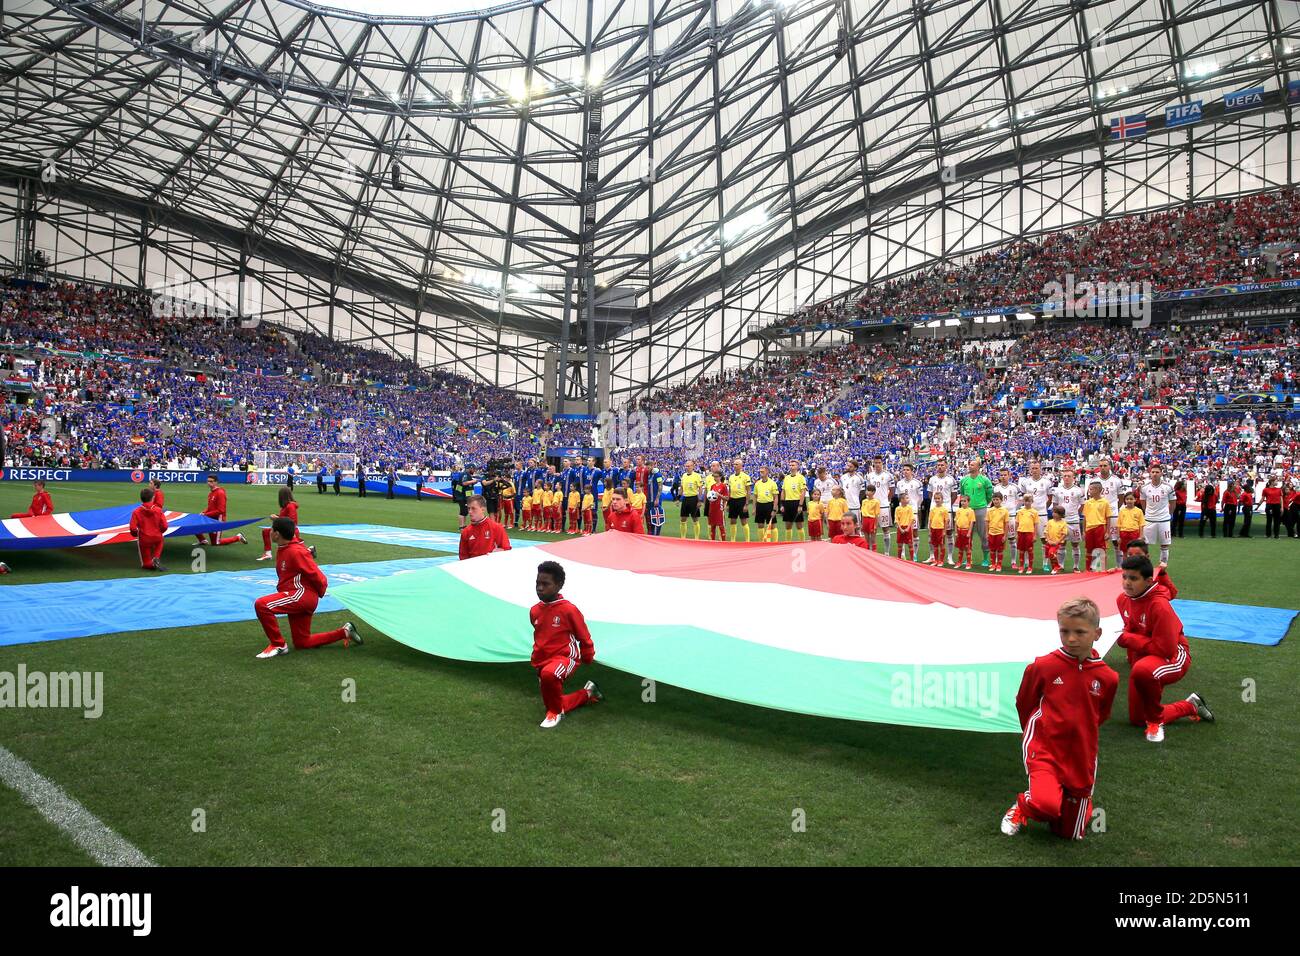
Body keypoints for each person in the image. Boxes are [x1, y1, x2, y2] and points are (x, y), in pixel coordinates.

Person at [1000, 597, 1118, 840]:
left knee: (1069, 834)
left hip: (1081, 753)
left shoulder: (1108, 678)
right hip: (1045, 746)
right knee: (1046, 806)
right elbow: (1025, 702)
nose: (1071, 638)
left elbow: (1101, 714)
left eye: (1080, 632)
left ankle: (1066, 796)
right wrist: (1033, 735)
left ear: (1097, 633)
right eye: (1064, 631)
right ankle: (1022, 806)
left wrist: (1081, 731)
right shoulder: (1044, 666)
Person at [1116, 554, 1214, 742]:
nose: (1127, 582)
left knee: (1143, 671)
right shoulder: (1122, 600)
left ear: (1148, 580)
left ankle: (1155, 719)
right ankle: (1191, 706)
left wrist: (1128, 639)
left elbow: (1165, 649)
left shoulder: (1159, 605)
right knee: (1137, 719)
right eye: (1124, 577)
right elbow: (1131, 630)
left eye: (1133, 578)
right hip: (1147, 657)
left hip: (1175, 655)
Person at [253, 517, 362, 659]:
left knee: (262, 605)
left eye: (272, 529)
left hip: (301, 595)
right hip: (299, 595)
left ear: (277, 534)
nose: (269, 532)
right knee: (302, 642)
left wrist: (316, 594)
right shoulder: (286, 546)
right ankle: (345, 632)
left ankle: (278, 645)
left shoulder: (295, 551)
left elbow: (319, 577)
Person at [530, 560, 602, 729]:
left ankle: (555, 714)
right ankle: (588, 692)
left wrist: (587, 655)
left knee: (550, 676)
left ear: (559, 585)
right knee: (554, 701)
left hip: (565, 657)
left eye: (545, 584)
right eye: (537, 583)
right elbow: (540, 635)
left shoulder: (568, 610)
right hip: (542, 660)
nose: (540, 588)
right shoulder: (534, 610)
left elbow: (583, 635)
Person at [958, 459, 994, 566]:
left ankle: (986, 558)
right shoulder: (963, 480)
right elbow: (963, 495)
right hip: (968, 511)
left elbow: (989, 494)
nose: (970, 466)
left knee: (983, 534)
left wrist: (983, 504)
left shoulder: (985, 480)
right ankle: (969, 558)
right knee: (967, 535)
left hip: (980, 509)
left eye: (972, 464)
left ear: (978, 467)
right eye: (969, 464)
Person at [1052, 466, 1085, 573]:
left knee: (1075, 544)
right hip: (1061, 522)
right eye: (1065, 476)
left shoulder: (1078, 490)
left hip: (1074, 521)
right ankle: (1060, 566)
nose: (1066, 478)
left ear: (1073, 477)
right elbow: (1055, 505)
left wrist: (1076, 514)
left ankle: (1076, 566)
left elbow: (1082, 505)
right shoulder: (1057, 490)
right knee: (1061, 544)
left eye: (1069, 476)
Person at [1140, 463, 1174, 565]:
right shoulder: (1144, 487)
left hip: (1163, 520)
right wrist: (1148, 512)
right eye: (1153, 472)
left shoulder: (1168, 487)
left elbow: (1173, 503)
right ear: (1150, 473)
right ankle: (1146, 565)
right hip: (1149, 519)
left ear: (1161, 473)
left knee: (1164, 544)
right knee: (1145, 544)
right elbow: (1143, 502)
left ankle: (1163, 566)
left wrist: (1169, 514)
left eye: (1157, 472)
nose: (1155, 474)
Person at [197, 474, 245, 547]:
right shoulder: (211, 493)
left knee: (216, 543)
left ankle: (238, 537)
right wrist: (204, 512)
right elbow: (210, 507)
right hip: (210, 518)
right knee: (195, 523)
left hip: (218, 520)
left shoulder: (220, 493)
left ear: (216, 482)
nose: (209, 483)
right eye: (208, 481)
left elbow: (221, 510)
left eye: (211, 481)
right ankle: (203, 540)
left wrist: (205, 514)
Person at [459, 495, 512, 559]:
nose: (470, 512)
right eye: (468, 508)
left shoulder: (496, 528)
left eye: (473, 508)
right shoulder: (466, 531)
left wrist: (500, 552)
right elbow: (463, 557)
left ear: (483, 509)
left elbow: (507, 549)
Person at [128, 488, 168, 571]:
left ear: (141, 498)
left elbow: (132, 528)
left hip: (144, 538)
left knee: (145, 564)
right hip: (157, 537)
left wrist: (136, 534)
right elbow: (165, 526)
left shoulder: (136, 511)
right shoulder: (158, 510)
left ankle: (152, 564)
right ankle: (156, 557)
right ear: (153, 497)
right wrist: (160, 532)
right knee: (160, 541)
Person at [1095, 458, 1125, 567]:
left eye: (1105, 465)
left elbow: (1121, 498)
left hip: (1113, 514)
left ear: (1109, 466)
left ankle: (1120, 566)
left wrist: (1114, 509)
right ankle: (1099, 566)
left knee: (1115, 540)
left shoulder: (1116, 480)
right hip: (1098, 515)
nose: (1102, 468)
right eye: (1101, 465)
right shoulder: (1094, 480)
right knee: (1099, 541)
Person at [259, 486, 300, 561]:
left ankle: (310, 550)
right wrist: (276, 516)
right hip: (285, 530)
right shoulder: (286, 506)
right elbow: (285, 517)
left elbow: (292, 521)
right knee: (266, 532)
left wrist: (276, 518)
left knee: (296, 552)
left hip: (290, 531)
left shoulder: (290, 506)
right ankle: (268, 554)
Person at [896, 463, 924, 563]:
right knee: (902, 532)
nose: (905, 472)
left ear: (912, 471)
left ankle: (914, 554)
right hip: (902, 512)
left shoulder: (917, 483)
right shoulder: (899, 483)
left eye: (907, 470)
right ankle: (902, 554)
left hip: (913, 511)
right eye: (904, 470)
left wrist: (915, 507)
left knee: (915, 532)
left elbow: (920, 498)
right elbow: (899, 497)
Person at [1082, 480, 1111, 572]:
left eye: (1091, 489)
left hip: (1100, 528)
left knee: (1101, 549)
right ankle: (1088, 569)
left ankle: (1101, 568)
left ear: (1098, 490)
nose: (1089, 491)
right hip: (1089, 528)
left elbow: (1108, 518)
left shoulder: (1105, 502)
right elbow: (1085, 517)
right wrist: (1084, 531)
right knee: (1089, 550)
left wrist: (1107, 532)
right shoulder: (1087, 503)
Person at [727, 459, 753, 542]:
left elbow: (748, 490)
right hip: (733, 500)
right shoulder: (731, 477)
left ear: (741, 466)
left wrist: (746, 504)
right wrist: (728, 503)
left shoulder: (745, 476)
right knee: (732, 520)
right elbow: (730, 491)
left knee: (743, 521)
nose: (735, 465)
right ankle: (733, 539)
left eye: (737, 464)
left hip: (741, 500)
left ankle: (747, 540)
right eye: (734, 464)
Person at [678, 460, 705, 540]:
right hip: (685, 498)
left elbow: (700, 488)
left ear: (693, 466)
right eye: (686, 466)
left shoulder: (697, 476)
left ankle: (696, 538)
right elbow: (682, 488)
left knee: (695, 518)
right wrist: (678, 498)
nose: (687, 467)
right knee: (683, 518)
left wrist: (700, 500)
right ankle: (683, 537)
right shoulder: (684, 475)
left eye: (689, 466)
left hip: (694, 498)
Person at [1014, 493, 1039, 574]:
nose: (1027, 503)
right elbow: (1017, 523)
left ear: (1032, 501)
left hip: (1029, 533)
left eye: (1029, 501)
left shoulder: (1034, 512)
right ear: (1023, 501)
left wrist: (1035, 535)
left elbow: (1036, 524)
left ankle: (1030, 567)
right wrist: (1016, 533)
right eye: (1026, 501)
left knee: (1030, 550)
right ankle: (1021, 566)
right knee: (1021, 550)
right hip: (1021, 533)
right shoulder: (1020, 511)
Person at [753, 466, 778, 541]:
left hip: (769, 505)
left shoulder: (772, 483)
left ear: (767, 472)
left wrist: (774, 509)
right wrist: (754, 508)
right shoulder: (757, 484)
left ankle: (774, 542)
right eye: (760, 472)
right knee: (760, 525)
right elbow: (755, 496)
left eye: (762, 472)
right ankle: (762, 542)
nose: (761, 473)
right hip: (760, 505)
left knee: (772, 525)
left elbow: (776, 497)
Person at [985, 492, 1009, 572]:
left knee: (1000, 550)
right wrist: (986, 533)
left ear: (1001, 500)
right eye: (994, 499)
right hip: (991, 533)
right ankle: (993, 564)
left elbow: (1006, 524)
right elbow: (987, 522)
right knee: (992, 550)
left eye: (997, 499)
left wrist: (1005, 535)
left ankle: (999, 565)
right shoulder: (990, 510)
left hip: (1000, 533)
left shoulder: (1005, 510)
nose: (995, 501)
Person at [1043, 506, 1068, 575]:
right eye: (1053, 512)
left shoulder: (1063, 523)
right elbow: (1046, 532)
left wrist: (1057, 542)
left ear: (1060, 514)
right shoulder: (1050, 522)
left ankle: (1056, 567)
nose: (1053, 513)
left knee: (1052, 553)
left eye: (1055, 512)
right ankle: (1054, 568)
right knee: (1049, 555)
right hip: (1049, 542)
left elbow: (1064, 534)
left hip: (1056, 543)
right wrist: (1048, 540)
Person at [953, 495, 976, 569]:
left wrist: (969, 532)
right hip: (959, 531)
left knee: (967, 548)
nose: (963, 502)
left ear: (968, 502)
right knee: (960, 547)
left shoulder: (971, 511)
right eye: (961, 501)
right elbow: (956, 522)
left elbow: (972, 522)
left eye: (964, 501)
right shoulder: (958, 510)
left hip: (966, 531)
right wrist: (956, 532)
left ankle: (969, 563)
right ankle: (959, 562)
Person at [925, 495, 948, 566]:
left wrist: (944, 531)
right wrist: (930, 531)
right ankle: (936, 560)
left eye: (939, 498)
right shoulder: (933, 509)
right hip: (933, 529)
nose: (937, 500)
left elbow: (946, 521)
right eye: (936, 499)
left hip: (940, 529)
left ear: (942, 499)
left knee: (942, 545)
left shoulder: (944, 509)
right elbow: (930, 520)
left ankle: (941, 561)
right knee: (935, 545)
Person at [706, 471, 729, 541]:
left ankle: (723, 542)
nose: (715, 478)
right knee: (712, 525)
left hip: (719, 508)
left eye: (716, 476)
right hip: (712, 507)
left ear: (720, 477)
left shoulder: (723, 486)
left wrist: (719, 495)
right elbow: (710, 496)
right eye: (714, 476)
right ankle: (712, 541)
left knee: (721, 525)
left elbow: (727, 498)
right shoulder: (712, 486)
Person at [894, 491, 916, 561]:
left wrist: (908, 528)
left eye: (908, 498)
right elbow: (896, 520)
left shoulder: (909, 508)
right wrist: (900, 528)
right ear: (902, 500)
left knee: (910, 544)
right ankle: (899, 559)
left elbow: (911, 519)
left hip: (907, 528)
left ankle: (912, 559)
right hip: (900, 528)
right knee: (900, 544)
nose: (908, 499)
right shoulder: (897, 509)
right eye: (906, 498)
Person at [861, 485, 881, 552]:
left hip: (872, 520)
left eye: (868, 490)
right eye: (866, 490)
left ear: (873, 492)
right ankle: (867, 551)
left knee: (873, 539)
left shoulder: (876, 501)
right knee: (866, 538)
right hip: (865, 520)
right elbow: (862, 513)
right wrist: (862, 523)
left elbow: (877, 514)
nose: (866, 492)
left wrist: (875, 525)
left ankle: (874, 552)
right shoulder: (864, 501)